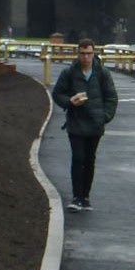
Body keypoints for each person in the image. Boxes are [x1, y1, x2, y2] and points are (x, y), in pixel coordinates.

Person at [52, 39, 118, 212]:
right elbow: (58, 94)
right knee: (78, 158)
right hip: (76, 123)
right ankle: (76, 197)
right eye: (82, 53)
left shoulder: (103, 73)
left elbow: (111, 98)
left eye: (89, 53)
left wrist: (105, 117)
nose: (86, 57)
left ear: (94, 53)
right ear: (78, 54)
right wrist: (70, 102)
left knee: (89, 160)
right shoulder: (69, 73)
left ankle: (85, 197)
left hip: (95, 124)